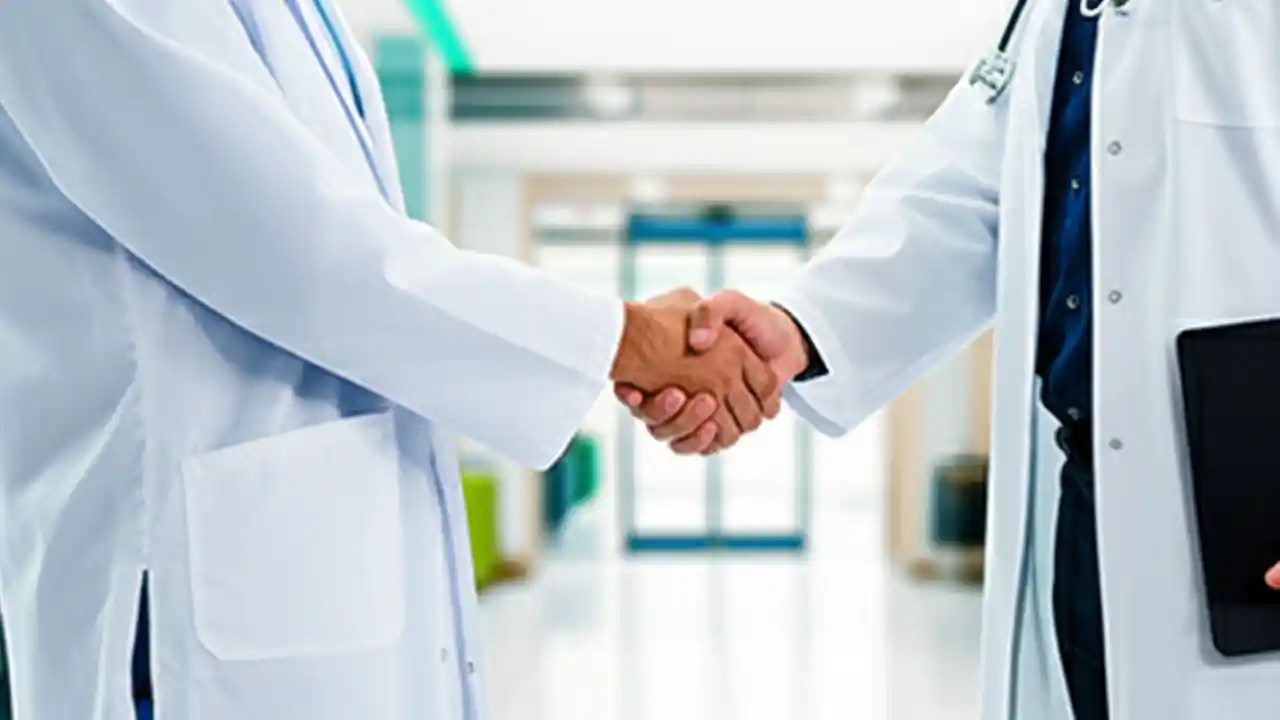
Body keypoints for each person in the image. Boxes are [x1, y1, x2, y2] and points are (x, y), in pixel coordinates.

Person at [0, 2, 781, 718]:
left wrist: (628, 340)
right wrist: (625, 339)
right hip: (174, 615)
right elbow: (289, 247)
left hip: (303, 594)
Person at [622, 1, 1280, 718]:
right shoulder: (1057, 19)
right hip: (1092, 501)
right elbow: (967, 199)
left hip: (1250, 506)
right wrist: (799, 330)